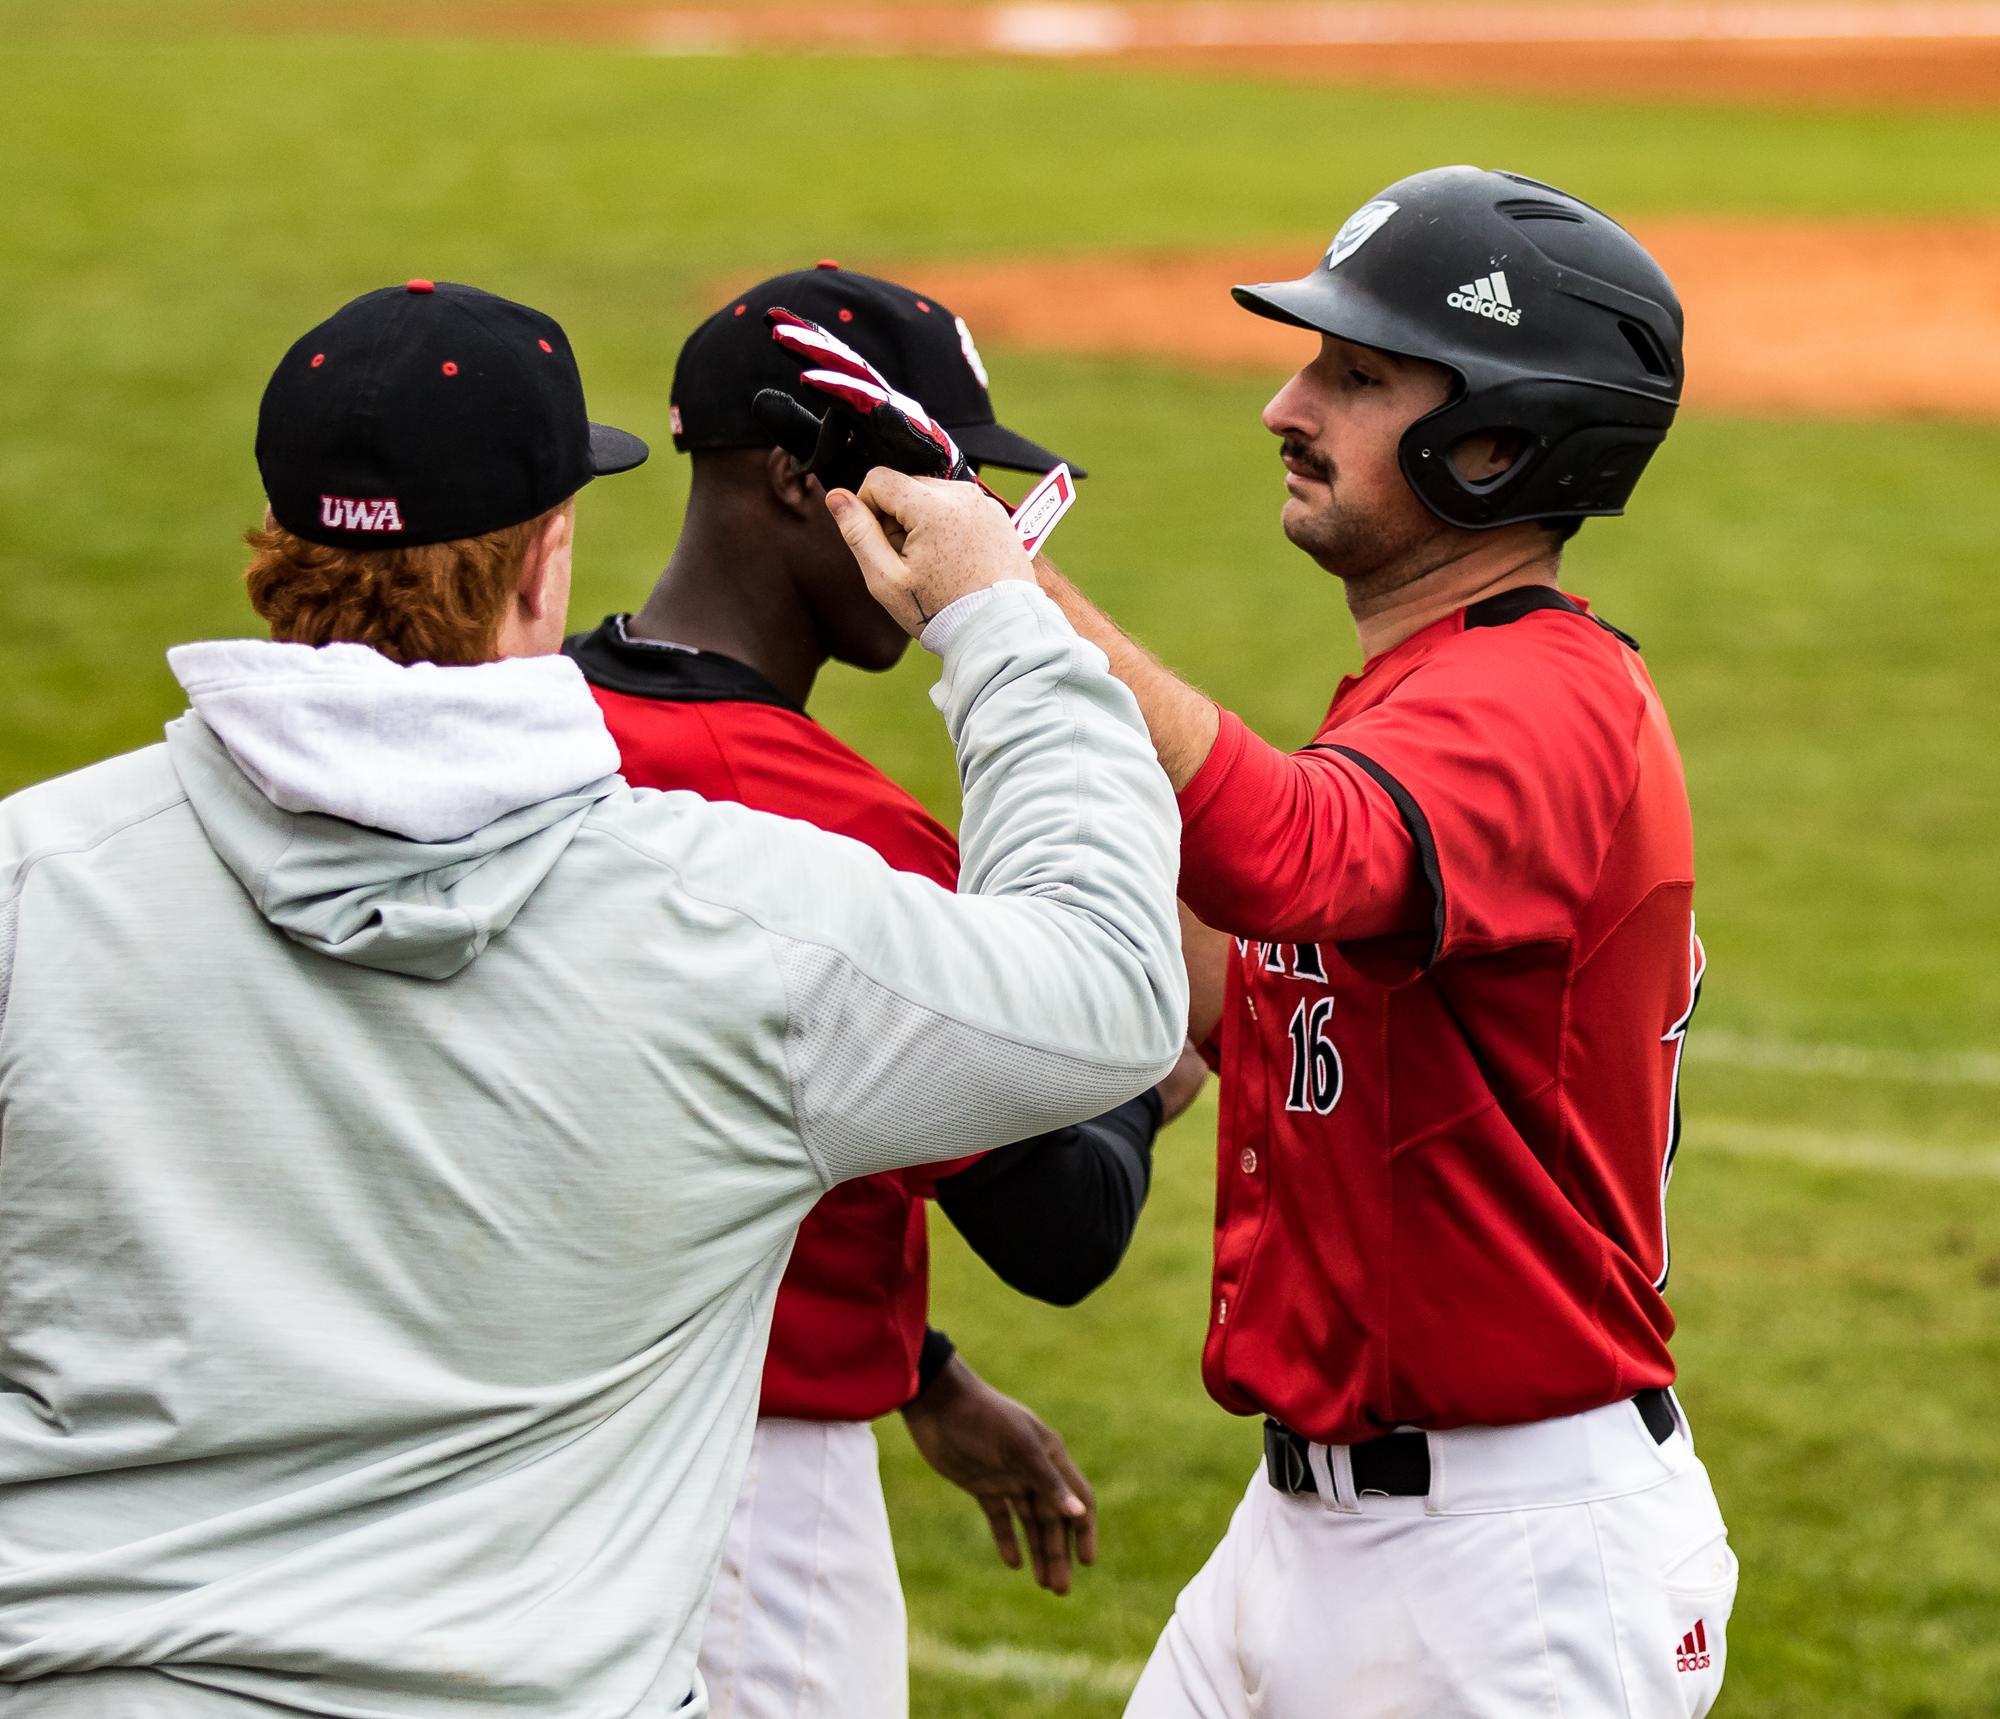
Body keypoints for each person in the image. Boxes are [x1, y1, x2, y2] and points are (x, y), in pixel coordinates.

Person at [0, 278, 1187, 1717]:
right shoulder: (744, 909)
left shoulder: (31, 876)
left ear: (277, 540)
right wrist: (1001, 617)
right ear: (546, 554)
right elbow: (1115, 994)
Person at [838, 166, 1738, 1718]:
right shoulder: (1432, 693)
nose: (1286, 402)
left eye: (1357, 375)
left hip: (1504, 1569)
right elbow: (1253, 978)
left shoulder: (1545, 702)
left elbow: (1283, 847)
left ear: (1499, 442)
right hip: (1324, 1534)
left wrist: (1013, 601)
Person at [568, 263, 1205, 1719]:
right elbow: (1061, 1227)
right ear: (797, 476)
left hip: (530, 1457)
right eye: (934, 476)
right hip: (750, 1510)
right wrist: (1157, 1065)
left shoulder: (521, 721)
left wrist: (919, 1367)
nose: (967, 525)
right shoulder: (847, 833)